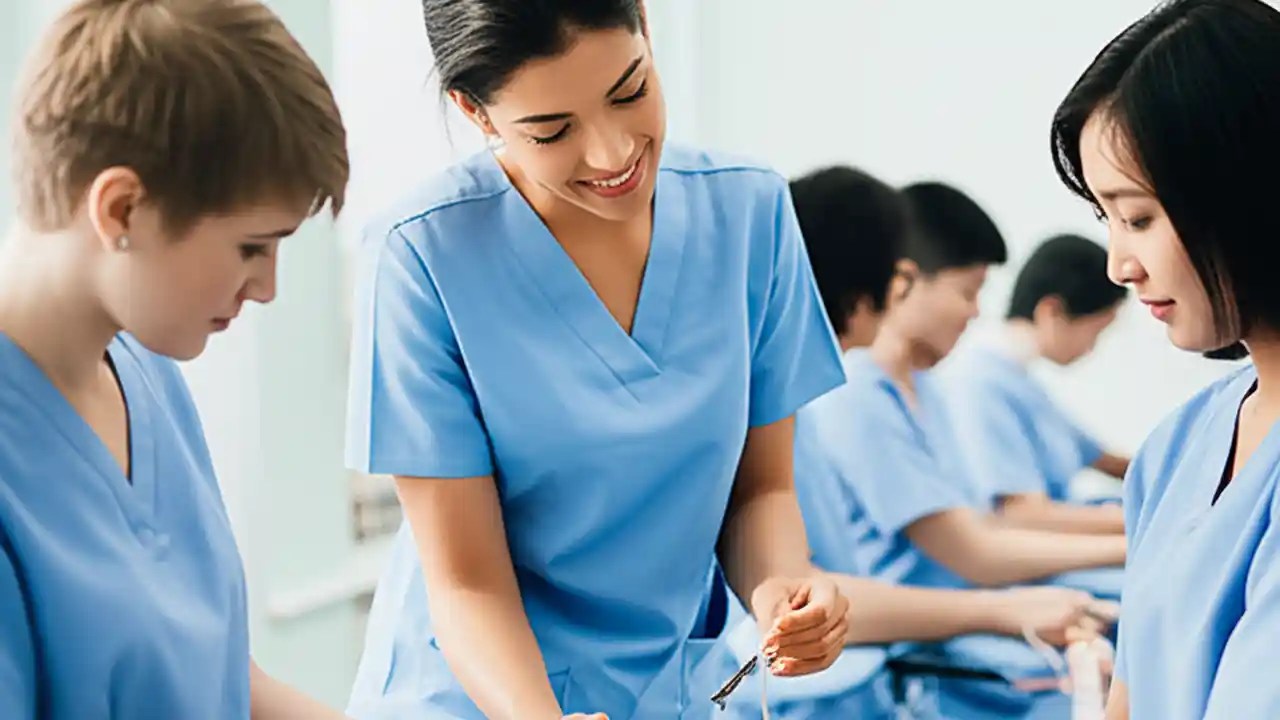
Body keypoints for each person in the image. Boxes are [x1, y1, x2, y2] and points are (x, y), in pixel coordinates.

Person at [343, 2, 850, 719]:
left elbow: (759, 490)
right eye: (551, 131)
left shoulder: (748, 212)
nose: (613, 155)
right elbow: (466, 583)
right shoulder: (423, 254)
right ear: (475, 113)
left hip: (664, 691)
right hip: (480, 698)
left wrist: (782, 592)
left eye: (631, 92)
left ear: (644, 23)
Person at [0, 1, 350, 718]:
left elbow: (227, 688)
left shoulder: (144, 372)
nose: (267, 287)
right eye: (252, 247)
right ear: (123, 210)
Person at [715, 166, 1110, 718]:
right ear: (894, 281)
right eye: (968, 291)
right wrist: (1005, 610)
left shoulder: (830, 395)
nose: (976, 311)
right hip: (851, 674)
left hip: (866, 661)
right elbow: (808, 592)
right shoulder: (829, 400)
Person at [1049, 0, 1280, 717]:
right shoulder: (1176, 448)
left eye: (1139, 218)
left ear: (1245, 193)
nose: (1119, 264)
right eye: (1106, 219)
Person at [940, 233, 1130, 534]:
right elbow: (1017, 515)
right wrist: (1141, 520)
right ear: (1051, 311)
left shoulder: (1021, 383)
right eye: (1096, 331)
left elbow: (1107, 460)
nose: (1092, 348)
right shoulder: (979, 383)